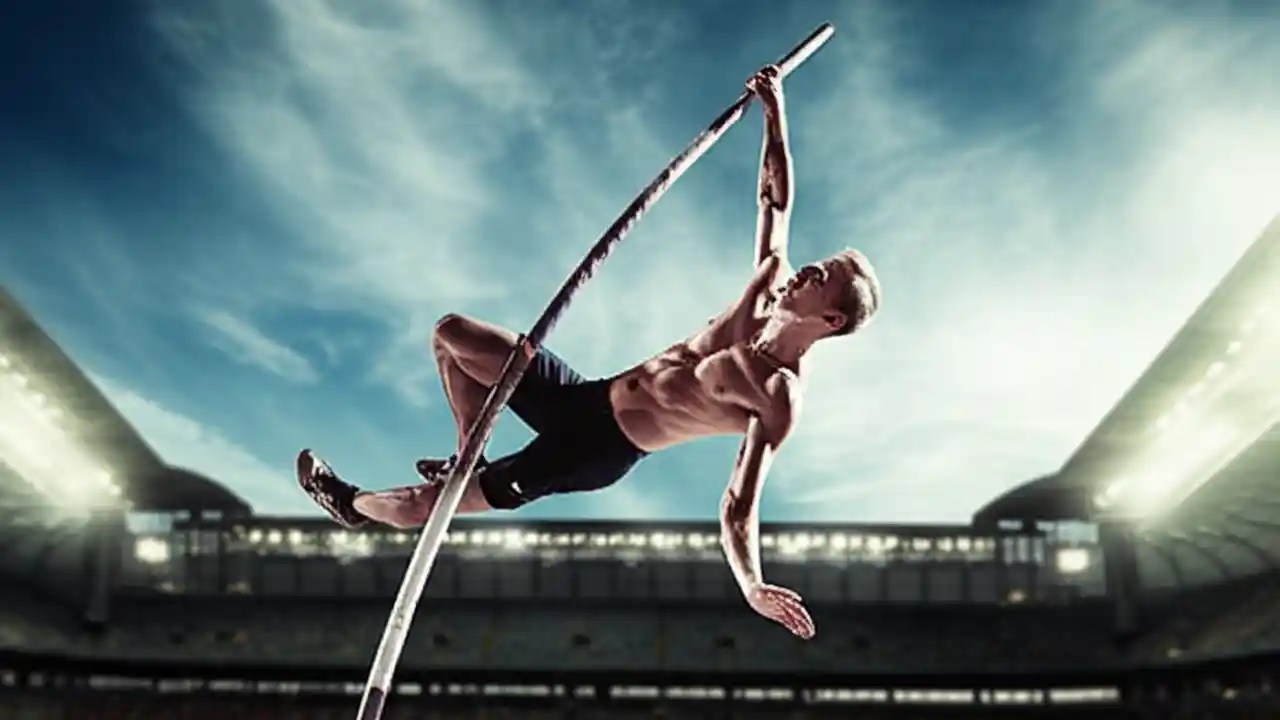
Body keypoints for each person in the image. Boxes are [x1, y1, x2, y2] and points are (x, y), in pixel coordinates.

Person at [298, 65, 880, 639]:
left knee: (429, 503)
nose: (807, 269)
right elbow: (774, 202)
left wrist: (751, 583)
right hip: (583, 396)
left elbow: (737, 502)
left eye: (822, 276)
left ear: (830, 319)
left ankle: (352, 504)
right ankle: (466, 452)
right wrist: (774, 109)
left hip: (597, 449)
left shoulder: (776, 394)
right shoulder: (767, 284)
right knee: (453, 335)